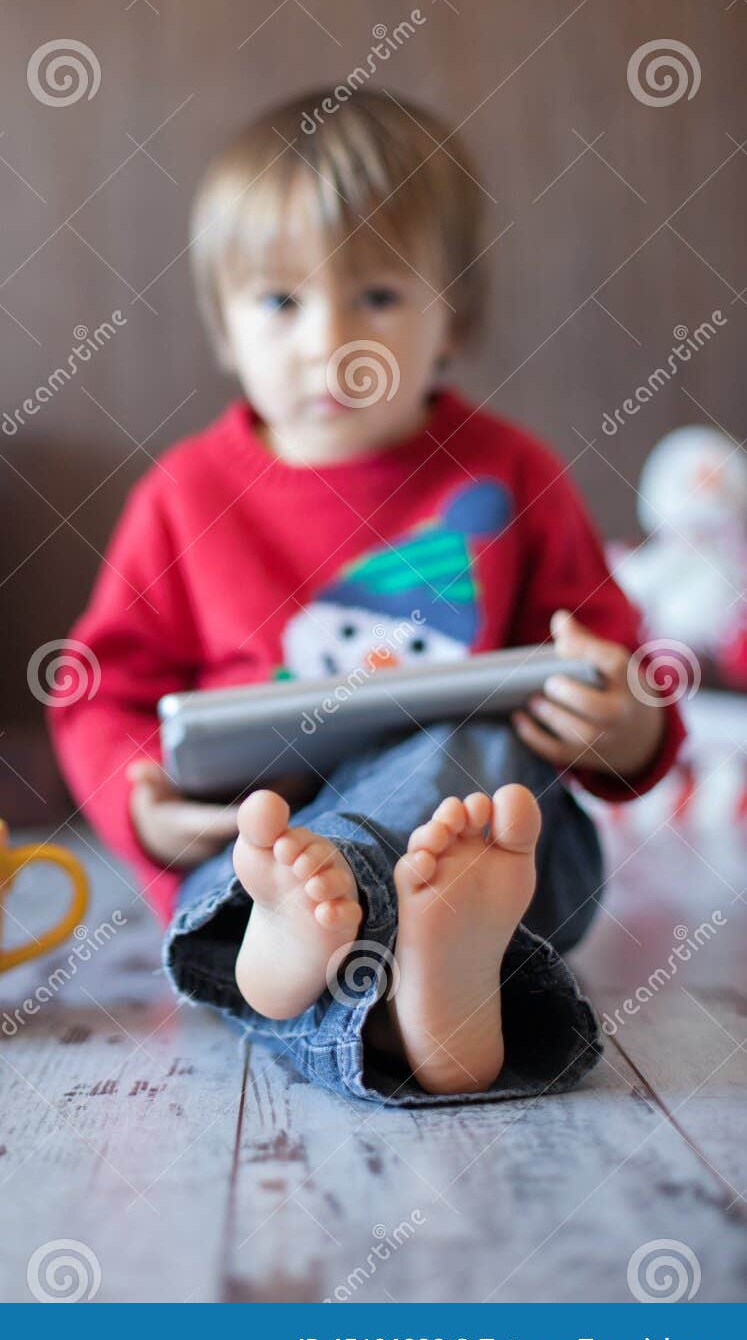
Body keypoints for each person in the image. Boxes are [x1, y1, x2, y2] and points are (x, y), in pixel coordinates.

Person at [47, 90, 683, 1106]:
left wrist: (624, 718)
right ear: (223, 323)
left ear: (451, 321)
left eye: (377, 297)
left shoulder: (509, 474)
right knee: (269, 853)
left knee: (467, 748)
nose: (326, 340)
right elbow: (94, 691)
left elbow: (608, 660)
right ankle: (416, 1011)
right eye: (280, 303)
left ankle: (324, 952)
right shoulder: (184, 496)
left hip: (494, 852)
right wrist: (142, 800)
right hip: (258, 853)